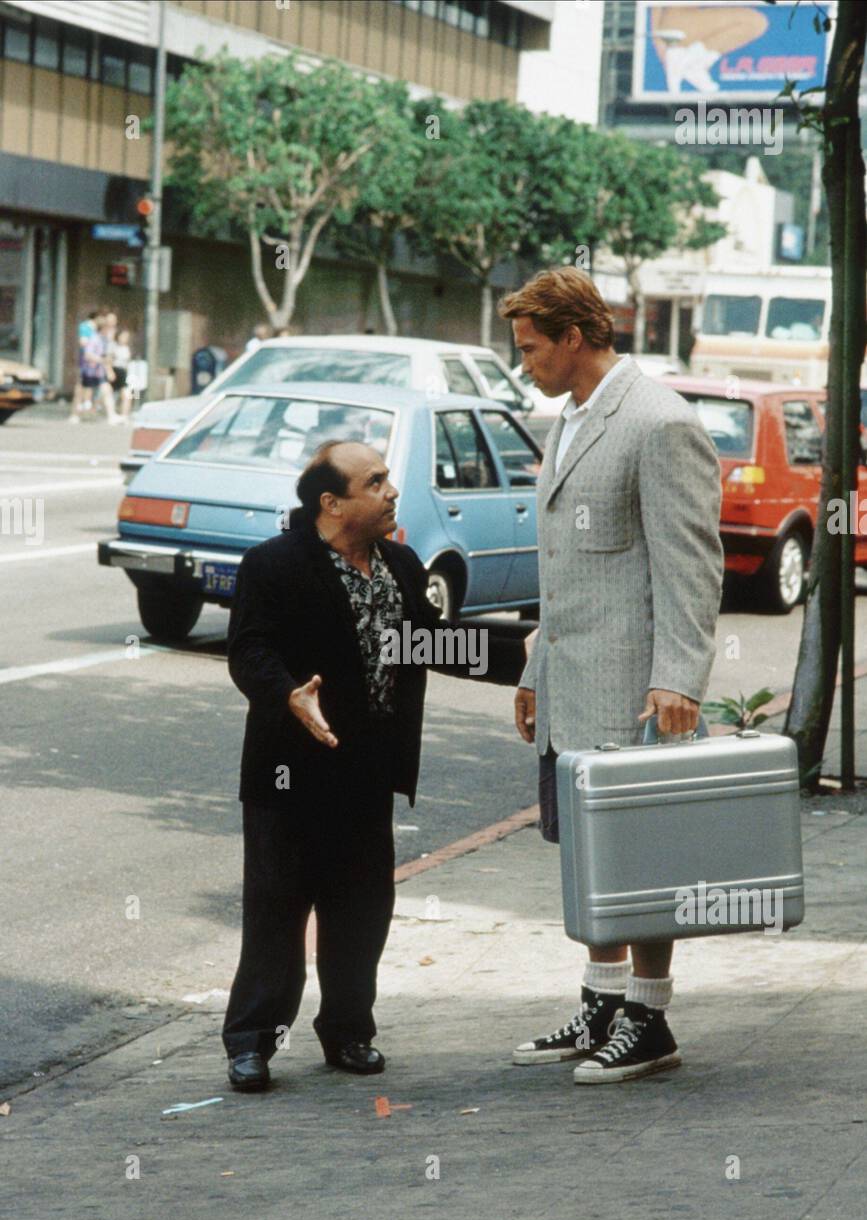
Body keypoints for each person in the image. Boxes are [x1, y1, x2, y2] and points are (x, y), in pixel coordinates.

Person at [499, 267, 723, 1084]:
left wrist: (680, 679)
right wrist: (533, 666)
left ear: (573, 338)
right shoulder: (571, 417)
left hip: (637, 687)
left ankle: (650, 1016)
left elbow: (690, 565)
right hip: (571, 681)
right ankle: (601, 1000)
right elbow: (562, 569)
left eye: (530, 348)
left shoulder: (658, 421)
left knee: (644, 854)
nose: (522, 363)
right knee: (588, 854)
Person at [222, 439, 485, 1092]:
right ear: (332, 503)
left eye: (389, 478)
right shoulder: (273, 565)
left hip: (367, 771)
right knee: (277, 911)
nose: (391, 491)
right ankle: (252, 1040)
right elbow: (247, 649)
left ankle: (347, 1031)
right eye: (375, 482)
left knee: (361, 910)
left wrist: (529, 659)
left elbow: (425, 643)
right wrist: (286, 693)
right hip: (289, 773)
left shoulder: (397, 562)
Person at [67, 310, 99, 423]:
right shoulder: (86, 327)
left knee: (93, 388)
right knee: (81, 387)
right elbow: (83, 342)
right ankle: (76, 413)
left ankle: (87, 411)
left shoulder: (97, 330)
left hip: (95, 364)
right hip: (87, 363)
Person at [109, 329, 134, 420]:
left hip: (123, 372)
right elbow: (109, 360)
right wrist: (110, 371)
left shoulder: (126, 348)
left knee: (127, 394)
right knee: (110, 394)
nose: (125, 339)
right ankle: (110, 413)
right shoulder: (114, 347)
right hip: (115, 370)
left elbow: (127, 362)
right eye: (123, 336)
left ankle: (124, 415)